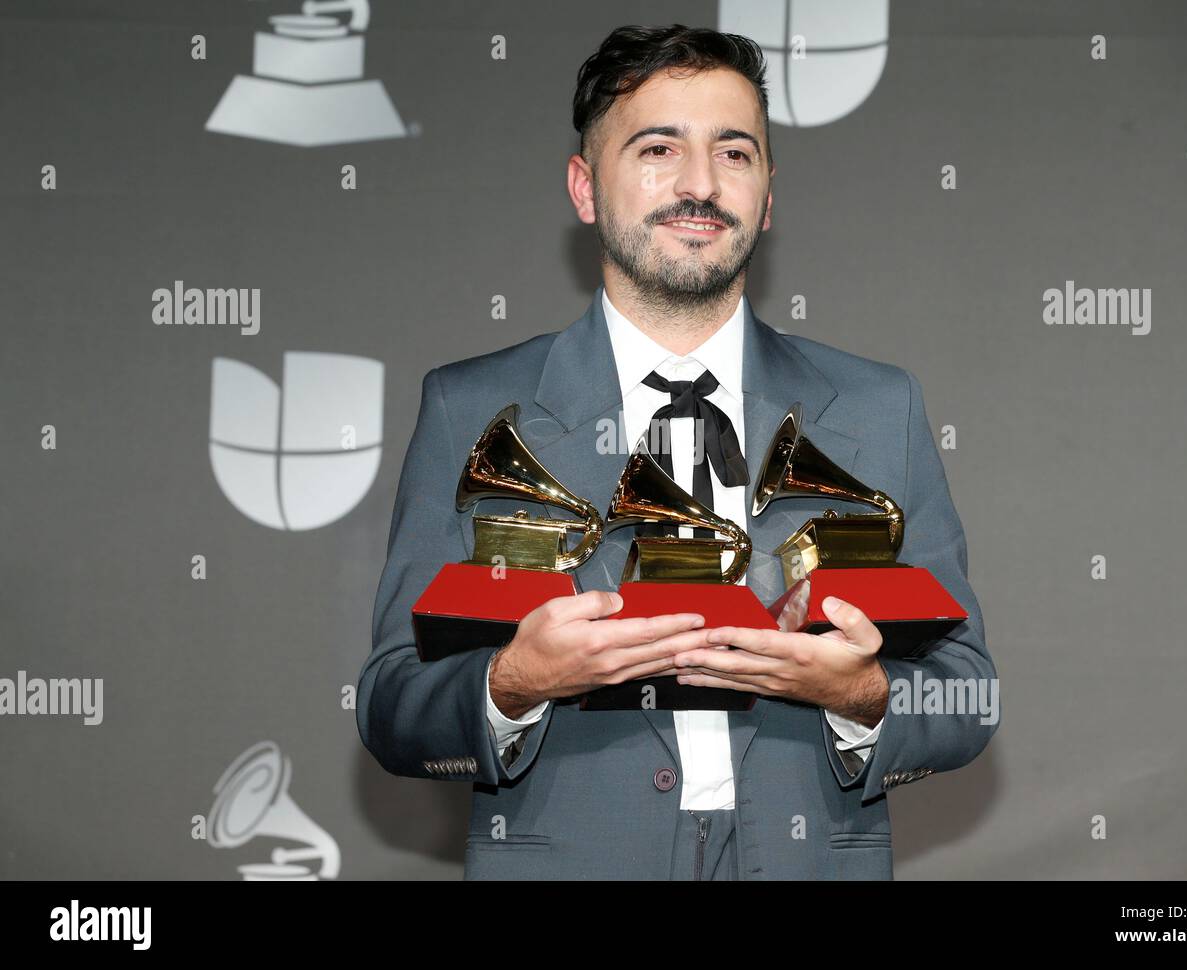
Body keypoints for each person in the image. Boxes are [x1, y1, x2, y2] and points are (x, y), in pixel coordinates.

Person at [357, 23, 997, 880]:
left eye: (735, 154)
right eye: (658, 148)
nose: (700, 185)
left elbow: (969, 692)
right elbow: (393, 703)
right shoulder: (466, 407)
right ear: (585, 187)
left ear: (768, 195)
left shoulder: (883, 409)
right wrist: (512, 683)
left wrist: (862, 696)